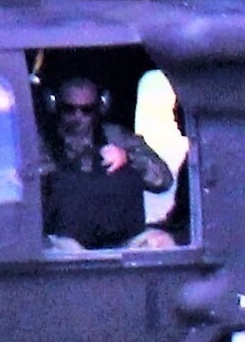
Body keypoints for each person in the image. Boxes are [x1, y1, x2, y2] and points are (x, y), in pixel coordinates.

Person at [38, 76, 174, 249]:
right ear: (54, 105)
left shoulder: (118, 137)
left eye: (86, 110)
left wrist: (129, 158)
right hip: (65, 245)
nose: (77, 117)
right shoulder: (40, 143)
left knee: (161, 243)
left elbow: (164, 181)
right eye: (68, 109)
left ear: (100, 107)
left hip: (122, 243)